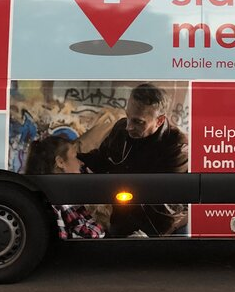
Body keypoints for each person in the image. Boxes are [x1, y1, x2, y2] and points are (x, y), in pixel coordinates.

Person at [80, 83, 189, 237]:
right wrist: (76, 159)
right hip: (123, 216)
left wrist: (151, 237)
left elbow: (171, 204)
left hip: (164, 226)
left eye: (138, 122)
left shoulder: (176, 146)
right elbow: (102, 159)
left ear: (159, 120)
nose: (128, 127)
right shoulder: (121, 129)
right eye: (128, 117)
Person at [22, 135, 104, 240]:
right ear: (60, 162)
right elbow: (91, 235)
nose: (81, 163)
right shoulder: (58, 202)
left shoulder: (50, 196)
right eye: (75, 157)